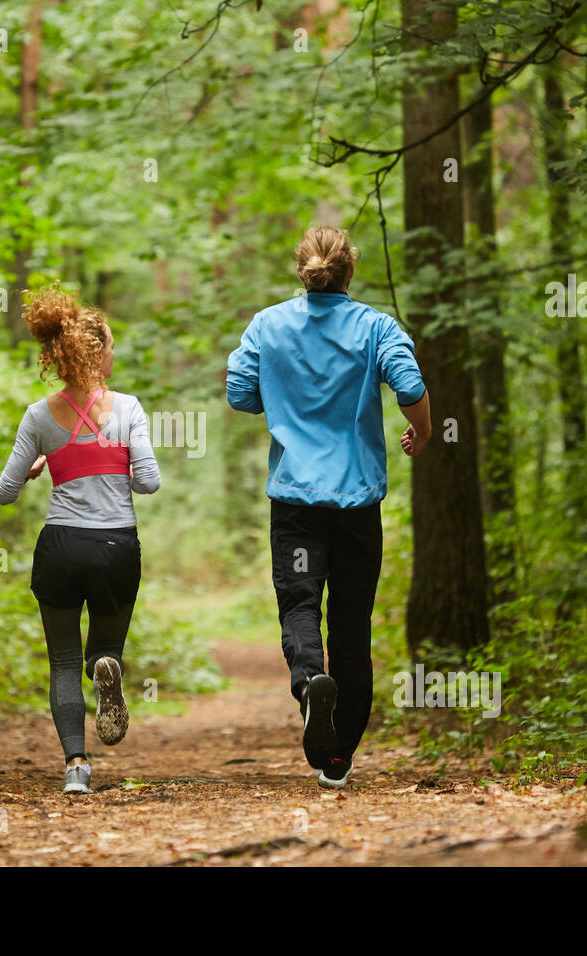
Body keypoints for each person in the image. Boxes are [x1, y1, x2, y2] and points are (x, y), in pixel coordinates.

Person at [225, 225, 431, 789]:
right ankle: (337, 760)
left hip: (295, 503)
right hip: (357, 505)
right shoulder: (375, 327)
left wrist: (289, 398)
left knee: (298, 606)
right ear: (350, 272)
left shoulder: (267, 325)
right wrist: (424, 431)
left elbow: (239, 393)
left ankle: (309, 680)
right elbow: (410, 388)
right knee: (351, 626)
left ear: (303, 272)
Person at [0, 285, 161, 794]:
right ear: (98, 355)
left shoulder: (38, 415)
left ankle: (75, 767)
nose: (114, 353)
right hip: (116, 548)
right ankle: (106, 665)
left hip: (61, 546)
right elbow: (148, 482)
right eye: (110, 345)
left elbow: (4, 493)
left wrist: (39, 468)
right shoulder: (129, 408)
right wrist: (117, 460)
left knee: (62, 661)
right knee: (101, 649)